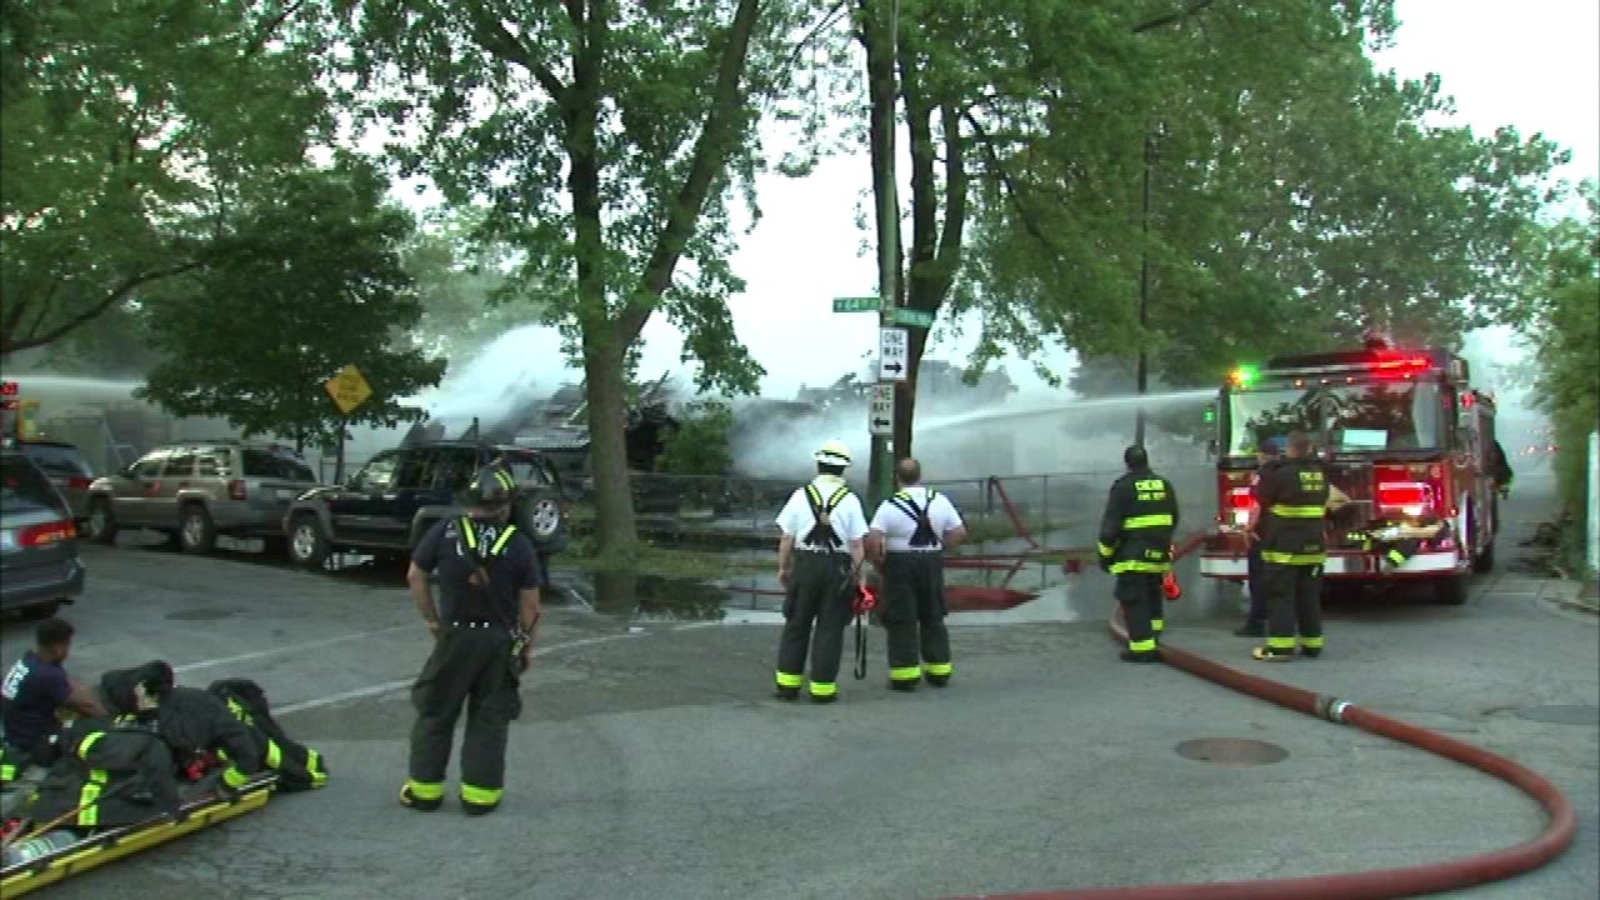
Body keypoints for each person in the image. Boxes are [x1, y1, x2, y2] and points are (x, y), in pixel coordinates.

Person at [401, 464, 542, 815]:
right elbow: (531, 604)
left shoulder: (445, 531)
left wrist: (432, 620)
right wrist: (526, 646)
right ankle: (481, 797)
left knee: (435, 712)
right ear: (507, 505)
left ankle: (425, 792)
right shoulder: (520, 544)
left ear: (470, 501)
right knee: (489, 719)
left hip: (454, 636)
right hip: (497, 641)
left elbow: (415, 575)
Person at [773, 439, 869, 703]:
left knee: (797, 623)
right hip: (837, 569)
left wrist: (784, 567)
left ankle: (787, 686)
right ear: (843, 470)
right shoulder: (850, 500)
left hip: (805, 565)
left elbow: (786, 538)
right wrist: (861, 578)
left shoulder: (799, 496)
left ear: (818, 464)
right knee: (830, 627)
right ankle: (822, 689)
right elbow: (857, 543)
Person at [867, 458, 967, 690]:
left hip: (899, 563)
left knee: (901, 618)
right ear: (920, 476)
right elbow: (960, 532)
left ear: (897, 478)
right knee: (933, 615)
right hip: (931, 562)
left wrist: (878, 561)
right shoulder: (939, 501)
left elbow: (873, 539)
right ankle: (939, 671)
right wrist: (940, 548)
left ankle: (905, 675)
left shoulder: (889, 506)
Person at [1252, 431, 1331, 662]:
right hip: (1314, 546)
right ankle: (1312, 645)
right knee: (1309, 597)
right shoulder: (1319, 473)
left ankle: (1281, 648)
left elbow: (1262, 497)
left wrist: (1267, 467)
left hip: (1284, 547)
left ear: (1290, 449)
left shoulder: (1280, 475)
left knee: (1280, 596)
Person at [1097, 445, 1180, 663]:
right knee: (1153, 594)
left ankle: (1142, 649)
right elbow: (1174, 516)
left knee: (1134, 600)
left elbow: (1110, 528)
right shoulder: (1164, 484)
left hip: (1133, 555)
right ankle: (1154, 634)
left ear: (1127, 463)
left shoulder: (1123, 487)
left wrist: (1105, 555)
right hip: (1159, 552)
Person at [1, 618, 105, 783]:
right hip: (33, 745)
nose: (68, 651)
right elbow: (87, 705)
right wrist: (110, 720)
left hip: (15, 731)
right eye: (67, 645)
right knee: (89, 730)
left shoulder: (31, 659)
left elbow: (66, 680)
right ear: (58, 647)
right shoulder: (47, 674)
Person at [1235, 437, 1286, 637]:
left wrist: (1248, 529)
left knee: (1258, 579)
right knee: (1281, 580)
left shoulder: (1262, 475)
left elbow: (1257, 505)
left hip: (1262, 534)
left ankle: (1256, 623)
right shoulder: (1287, 474)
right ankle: (1282, 621)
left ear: (1261, 455)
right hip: (1284, 534)